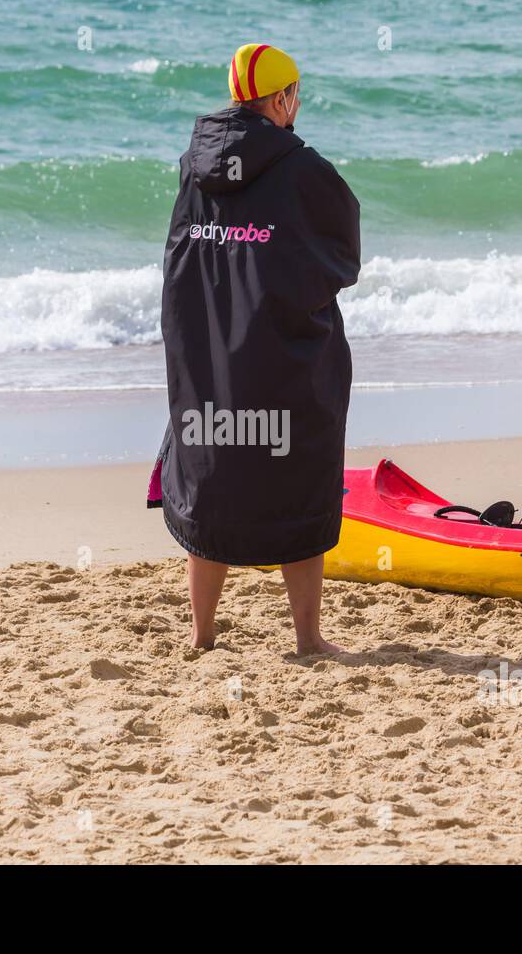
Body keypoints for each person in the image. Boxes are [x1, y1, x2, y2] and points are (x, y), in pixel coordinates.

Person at [149, 43, 361, 654]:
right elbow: (342, 255)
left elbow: (181, 255)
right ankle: (308, 640)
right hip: (284, 353)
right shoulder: (302, 167)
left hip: (207, 349)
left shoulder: (195, 162)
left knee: (212, 477)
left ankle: (203, 636)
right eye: (297, 94)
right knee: (299, 481)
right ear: (279, 98)